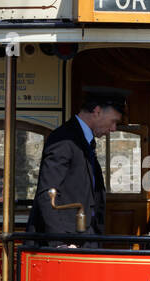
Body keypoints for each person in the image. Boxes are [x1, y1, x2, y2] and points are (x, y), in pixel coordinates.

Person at [26, 89, 124, 239]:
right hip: (68, 238)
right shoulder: (65, 140)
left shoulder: (84, 140)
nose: (113, 129)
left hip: (84, 234)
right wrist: (60, 242)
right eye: (113, 121)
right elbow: (47, 193)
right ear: (97, 111)